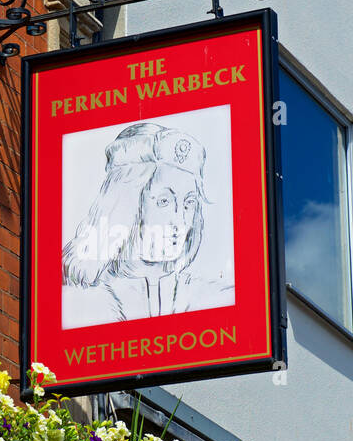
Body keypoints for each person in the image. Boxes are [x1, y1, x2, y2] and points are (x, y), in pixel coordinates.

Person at [62, 122, 233, 327]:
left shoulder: (213, 298)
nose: (179, 220)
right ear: (126, 205)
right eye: (164, 201)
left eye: (189, 203)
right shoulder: (79, 303)